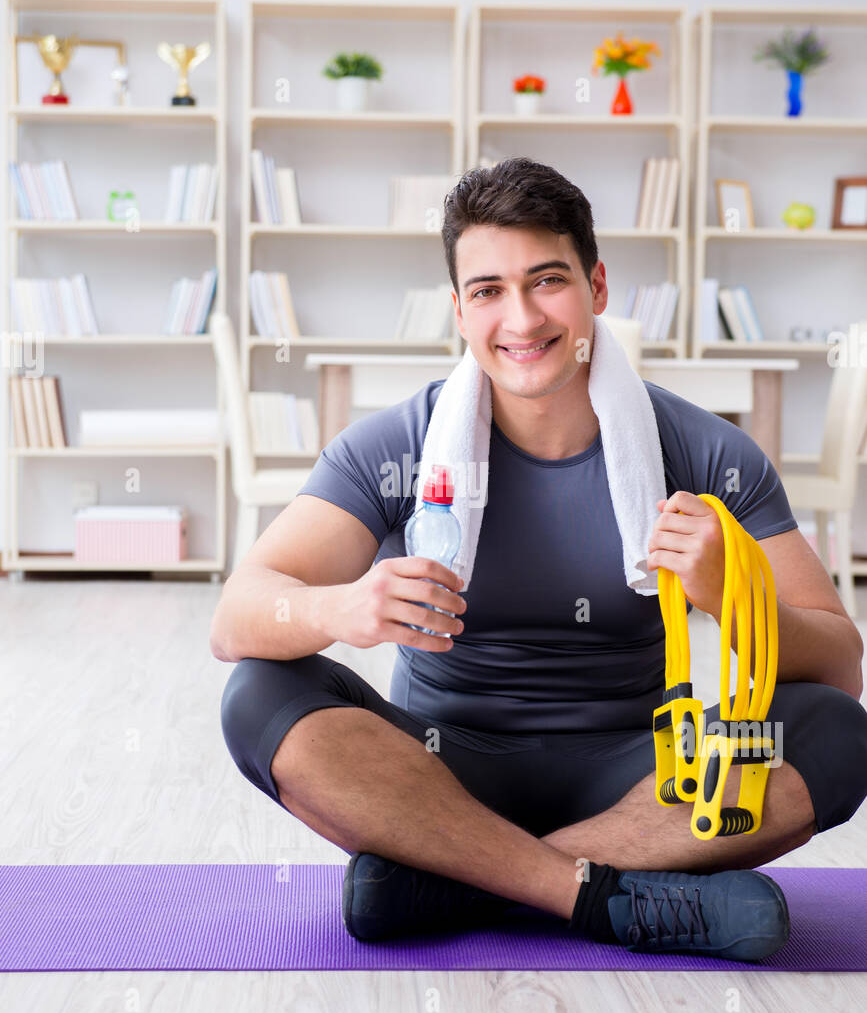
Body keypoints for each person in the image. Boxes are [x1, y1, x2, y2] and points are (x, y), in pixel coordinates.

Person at [212, 157, 867, 962]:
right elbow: (236, 613)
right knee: (258, 689)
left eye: (546, 281)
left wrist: (734, 595)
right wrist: (340, 609)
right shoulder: (396, 446)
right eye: (488, 290)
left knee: (834, 733)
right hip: (435, 767)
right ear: (459, 310)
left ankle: (451, 879)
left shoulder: (702, 450)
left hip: (642, 776)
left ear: (595, 288)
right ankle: (594, 894)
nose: (520, 319)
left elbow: (839, 664)